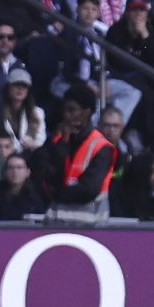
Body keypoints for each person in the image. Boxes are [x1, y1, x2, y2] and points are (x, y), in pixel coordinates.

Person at [36, 86, 118, 223]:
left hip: (90, 227)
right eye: (64, 110)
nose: (66, 115)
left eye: (72, 110)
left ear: (87, 112)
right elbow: (40, 169)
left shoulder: (101, 147)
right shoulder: (59, 139)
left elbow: (89, 189)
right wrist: (62, 142)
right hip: (56, 225)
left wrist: (58, 192)